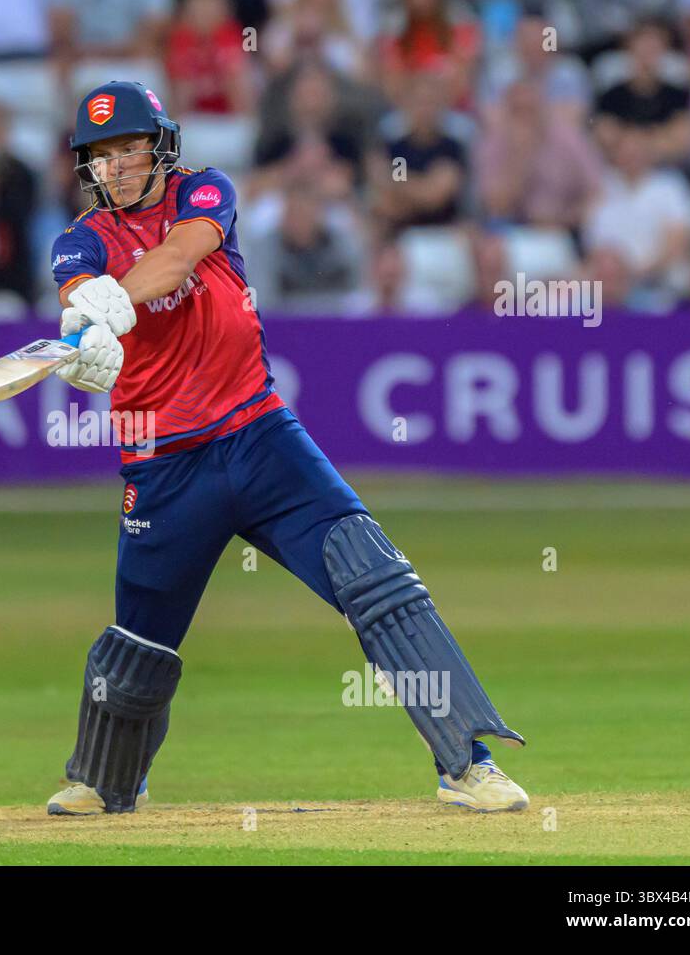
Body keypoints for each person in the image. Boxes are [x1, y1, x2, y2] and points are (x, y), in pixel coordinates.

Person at [43, 81, 529, 816]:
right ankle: (108, 779)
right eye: (99, 156)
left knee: (378, 582)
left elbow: (179, 257)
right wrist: (86, 341)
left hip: (261, 437)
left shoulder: (204, 191)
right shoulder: (78, 240)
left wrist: (112, 302)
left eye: (127, 147)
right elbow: (77, 299)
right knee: (138, 641)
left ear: (160, 144)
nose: (114, 166)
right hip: (162, 463)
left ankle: (468, 761)